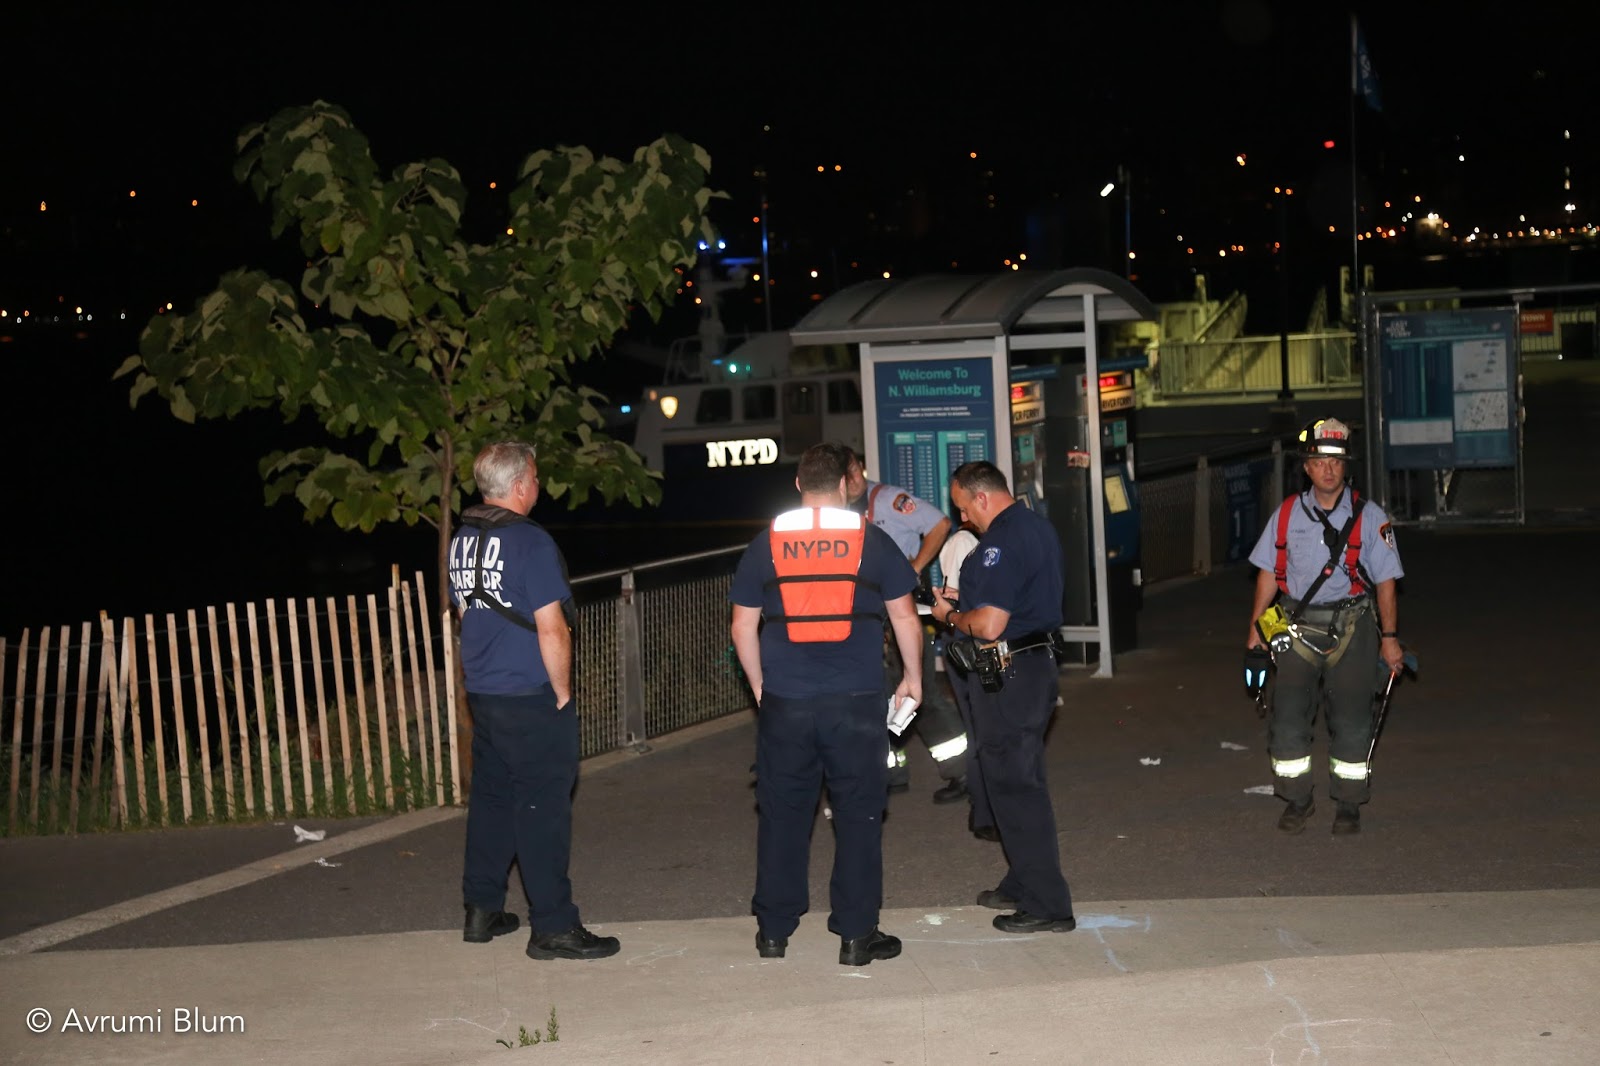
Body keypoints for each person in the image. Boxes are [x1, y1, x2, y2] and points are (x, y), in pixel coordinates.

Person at [730, 442, 923, 966]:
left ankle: (773, 932)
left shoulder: (766, 542)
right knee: (858, 817)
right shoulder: (871, 540)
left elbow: (742, 625)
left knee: (782, 815)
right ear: (844, 484)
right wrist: (913, 678)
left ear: (798, 485)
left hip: (787, 703)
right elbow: (905, 617)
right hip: (856, 703)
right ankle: (857, 937)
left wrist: (760, 686)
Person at [447, 441, 619, 961]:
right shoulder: (529, 543)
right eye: (537, 478)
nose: (539, 486)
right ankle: (553, 926)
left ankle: (482, 909)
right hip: (529, 694)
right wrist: (562, 694)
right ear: (520, 485)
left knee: (494, 800)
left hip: (484, 692)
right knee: (542, 808)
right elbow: (552, 628)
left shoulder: (463, 538)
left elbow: (463, 615)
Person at [930, 461, 1076, 934]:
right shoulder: (1035, 526)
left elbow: (990, 624)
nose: (964, 518)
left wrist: (950, 617)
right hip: (1031, 668)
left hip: (1011, 671)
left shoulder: (999, 543)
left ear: (983, 497)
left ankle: (1047, 904)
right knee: (1015, 779)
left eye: (964, 507)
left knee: (1015, 788)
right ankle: (1023, 879)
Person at [1246, 418, 1405, 836]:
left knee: (1353, 718)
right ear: (1307, 467)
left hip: (1353, 627)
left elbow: (1387, 583)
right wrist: (1254, 633)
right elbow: (1267, 576)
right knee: (1287, 720)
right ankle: (1297, 799)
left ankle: (1348, 804)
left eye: (1335, 461)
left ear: (1345, 467)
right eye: (1319, 461)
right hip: (1294, 628)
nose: (1328, 469)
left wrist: (1389, 640)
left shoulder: (1371, 518)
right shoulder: (1285, 516)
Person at [843, 449, 968, 803]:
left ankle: (963, 771)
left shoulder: (887, 501)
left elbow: (941, 524)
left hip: (903, 612)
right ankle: (890, 772)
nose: (852, 480)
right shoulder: (835, 511)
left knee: (920, 693)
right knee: (877, 695)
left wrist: (913, 567)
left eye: (855, 471)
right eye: (845, 474)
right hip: (867, 618)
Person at [935, 519, 999, 841]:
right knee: (981, 728)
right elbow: (961, 596)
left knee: (982, 726)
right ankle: (984, 812)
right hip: (966, 638)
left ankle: (984, 810)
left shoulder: (971, 541)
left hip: (965, 635)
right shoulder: (964, 541)